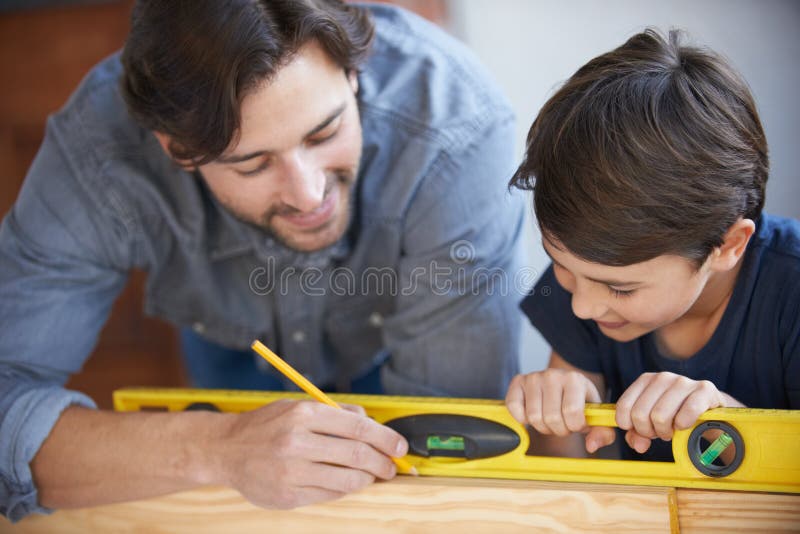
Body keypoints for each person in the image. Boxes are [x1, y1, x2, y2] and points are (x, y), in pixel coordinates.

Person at [0, 0, 524, 521]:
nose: (308, 195)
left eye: (324, 133)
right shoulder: (96, 151)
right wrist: (216, 449)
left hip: (392, 354)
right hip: (230, 349)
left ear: (352, 75)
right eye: (252, 164)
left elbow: (449, 454)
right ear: (177, 149)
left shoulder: (457, 132)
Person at [505, 29, 800, 462]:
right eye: (561, 266)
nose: (582, 306)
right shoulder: (592, 272)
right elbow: (564, 477)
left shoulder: (790, 293)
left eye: (621, 289)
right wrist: (552, 414)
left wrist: (735, 428)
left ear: (728, 245)